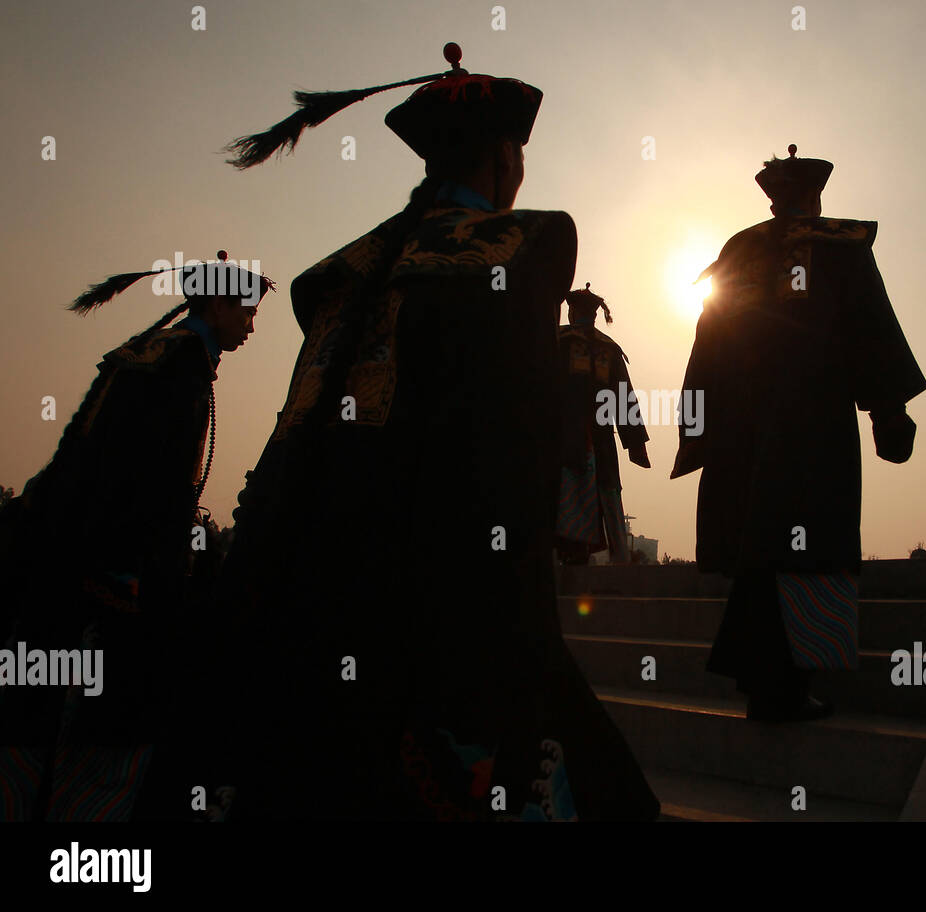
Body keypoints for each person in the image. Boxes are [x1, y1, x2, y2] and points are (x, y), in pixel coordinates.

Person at [219, 43, 659, 820]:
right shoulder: (526, 243)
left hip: (303, 590)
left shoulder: (343, 268)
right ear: (505, 156)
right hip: (445, 602)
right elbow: (508, 446)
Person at [0, 253, 273, 820]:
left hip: (66, 568)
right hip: (113, 586)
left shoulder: (152, 354)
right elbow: (141, 480)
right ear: (217, 304)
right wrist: (137, 575)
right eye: (247, 312)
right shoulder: (179, 367)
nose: (252, 326)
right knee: (99, 747)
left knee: (30, 728)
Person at [671, 146, 926, 722]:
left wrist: (698, 425)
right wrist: (888, 410)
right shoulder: (839, 244)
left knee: (761, 548)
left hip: (743, 428)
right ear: (815, 197)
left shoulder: (739, 250)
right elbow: (869, 325)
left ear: (773, 199)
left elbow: (707, 341)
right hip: (814, 424)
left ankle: (765, 684)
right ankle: (786, 686)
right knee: (813, 543)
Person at [556, 283, 650, 564]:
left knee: (569, 496)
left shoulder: (558, 341)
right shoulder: (609, 349)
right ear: (595, 315)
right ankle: (619, 562)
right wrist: (635, 444)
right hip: (597, 440)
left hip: (566, 440)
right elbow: (625, 398)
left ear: (572, 312)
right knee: (607, 495)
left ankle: (570, 561)